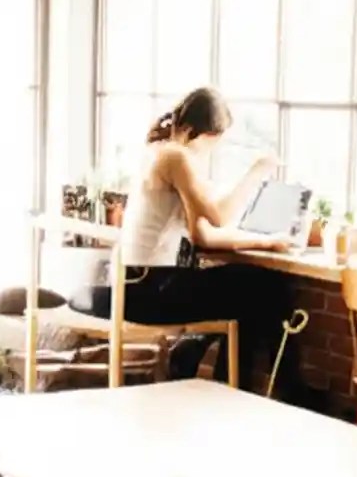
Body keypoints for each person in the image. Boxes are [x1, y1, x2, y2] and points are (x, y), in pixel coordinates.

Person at [71, 86, 317, 409]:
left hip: (138, 285)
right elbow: (215, 220)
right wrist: (256, 173)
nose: (213, 151)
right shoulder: (177, 157)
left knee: (250, 294)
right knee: (269, 286)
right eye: (213, 141)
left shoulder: (163, 153)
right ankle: (281, 389)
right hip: (149, 289)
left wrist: (266, 240)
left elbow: (204, 230)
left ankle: (227, 382)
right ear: (192, 131)